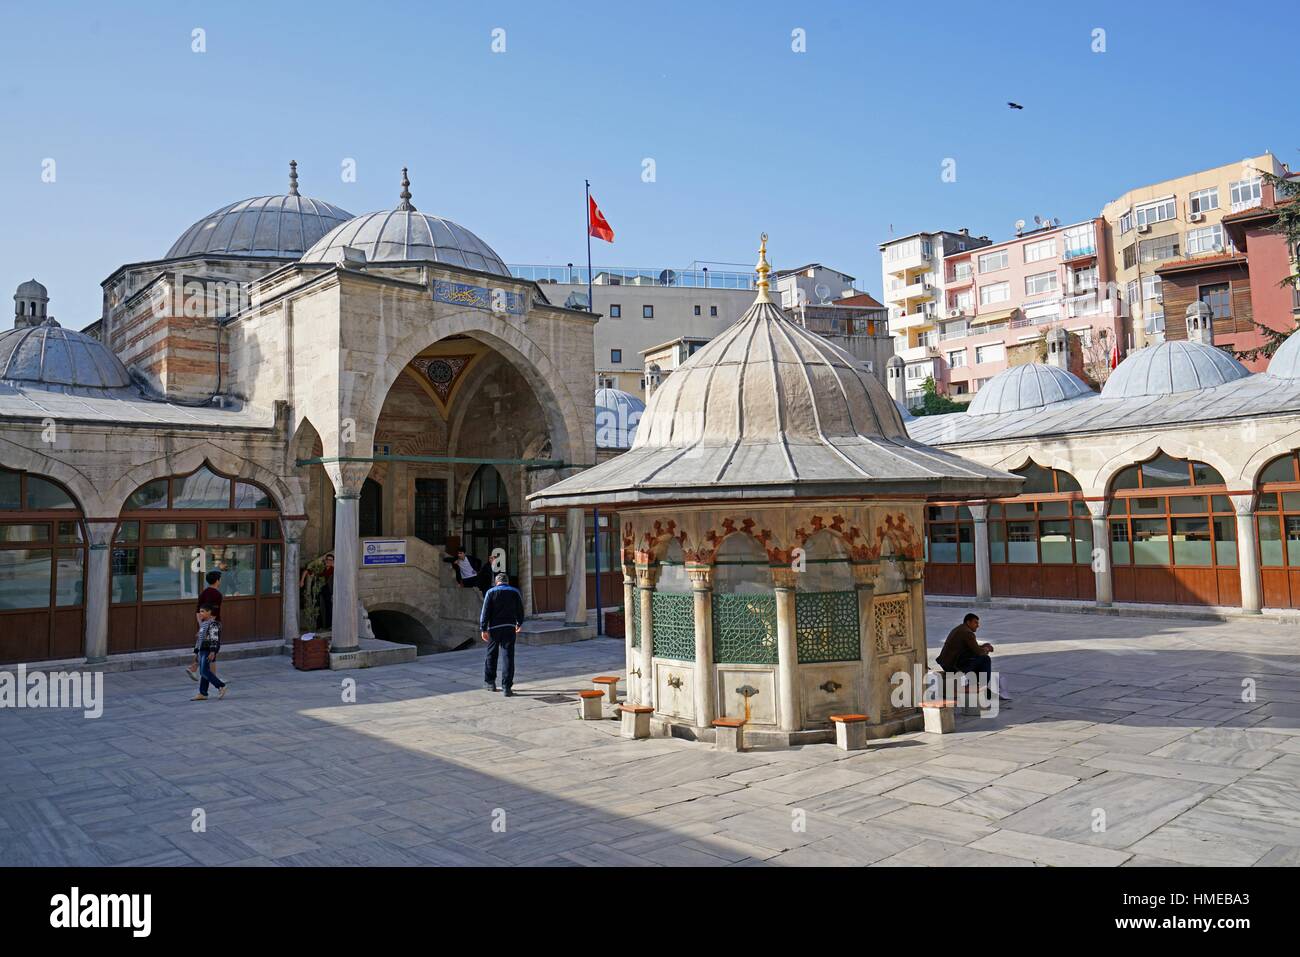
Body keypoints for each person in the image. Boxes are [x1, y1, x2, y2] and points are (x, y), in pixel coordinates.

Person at [935, 612, 1009, 702]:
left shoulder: (961, 629)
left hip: (948, 663)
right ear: (968, 622)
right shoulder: (967, 633)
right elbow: (978, 652)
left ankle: (976, 685)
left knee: (977, 660)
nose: (978, 625)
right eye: (975, 623)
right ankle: (982, 687)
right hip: (952, 665)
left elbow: (972, 648)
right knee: (985, 659)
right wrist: (986, 649)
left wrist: (983, 647)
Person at [479, 572, 524, 696]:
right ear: (507, 581)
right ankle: (507, 687)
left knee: (491, 655)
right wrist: (519, 623)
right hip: (509, 627)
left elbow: (485, 611)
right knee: (508, 656)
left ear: (496, 582)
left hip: (494, 628)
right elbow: (520, 609)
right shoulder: (515, 592)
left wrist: (483, 628)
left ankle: (490, 683)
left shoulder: (491, 592)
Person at [187, 569, 224, 681]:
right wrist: (209, 627)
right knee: (212, 651)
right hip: (213, 625)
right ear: (217, 580)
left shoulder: (203, 593)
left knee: (204, 649)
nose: (220, 581)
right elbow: (213, 613)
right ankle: (211, 678)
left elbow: (198, 611)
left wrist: (201, 626)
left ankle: (194, 668)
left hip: (203, 624)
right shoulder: (217, 595)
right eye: (220, 579)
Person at [191, 603, 228, 701]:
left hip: (208, 650)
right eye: (200, 612)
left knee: (204, 671)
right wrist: (196, 652)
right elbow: (199, 639)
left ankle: (221, 686)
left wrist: (212, 651)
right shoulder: (203, 624)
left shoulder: (213, 623)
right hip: (202, 650)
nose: (200, 614)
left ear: (209, 612)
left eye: (203, 611)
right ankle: (203, 693)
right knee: (204, 671)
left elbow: (214, 638)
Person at [299, 552, 334, 631]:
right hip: (316, 585)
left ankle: (329, 625)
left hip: (325, 586)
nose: (329, 561)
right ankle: (319, 626)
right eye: (327, 560)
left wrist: (333, 565)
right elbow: (306, 571)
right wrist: (302, 581)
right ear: (325, 560)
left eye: (331, 560)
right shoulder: (320, 566)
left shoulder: (332, 568)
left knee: (329, 604)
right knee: (317, 605)